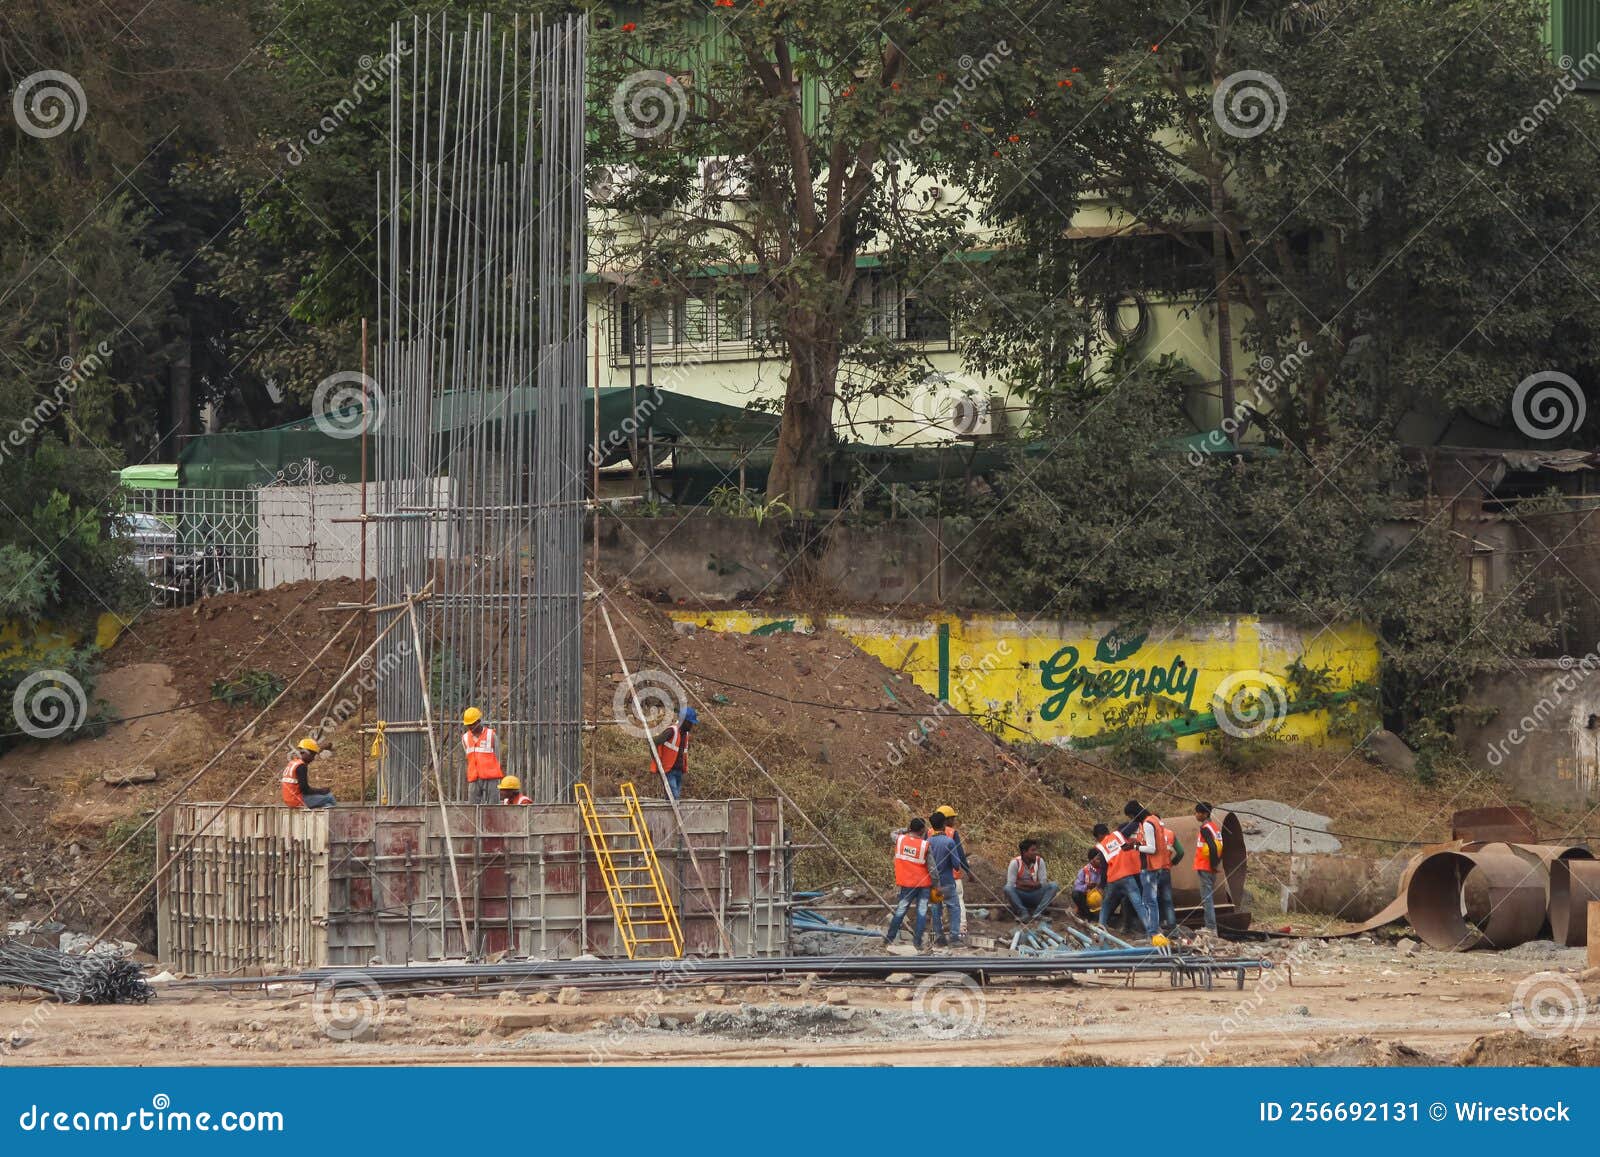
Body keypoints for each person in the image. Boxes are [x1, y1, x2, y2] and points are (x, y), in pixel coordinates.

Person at [1124, 800, 1178, 933]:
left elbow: (1151, 848)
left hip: (1149, 867)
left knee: (1150, 901)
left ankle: (1153, 932)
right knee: (1153, 900)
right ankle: (1156, 930)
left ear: (1134, 814)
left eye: (1130, 816)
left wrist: (1133, 846)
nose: (1131, 820)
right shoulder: (1154, 819)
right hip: (1158, 865)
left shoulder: (1147, 824)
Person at [1096, 821, 1154, 937]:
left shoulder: (1102, 846)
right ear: (1108, 831)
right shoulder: (1119, 835)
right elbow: (1134, 824)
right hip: (1127, 876)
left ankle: (1100, 928)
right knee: (1138, 904)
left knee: (1106, 903)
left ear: (1099, 836)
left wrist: (1102, 886)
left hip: (1113, 878)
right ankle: (1150, 932)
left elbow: (1103, 868)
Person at [884, 817, 933, 951]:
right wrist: (937, 884)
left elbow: (892, 832)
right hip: (923, 885)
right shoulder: (925, 845)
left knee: (900, 911)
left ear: (911, 828)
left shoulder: (899, 839)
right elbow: (932, 867)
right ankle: (917, 943)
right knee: (921, 912)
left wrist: (906, 829)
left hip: (907, 884)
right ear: (922, 830)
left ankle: (889, 939)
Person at [926, 812, 963, 945]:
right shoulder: (949, 842)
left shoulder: (927, 842)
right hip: (947, 881)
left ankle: (939, 936)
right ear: (944, 824)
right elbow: (956, 865)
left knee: (936, 909)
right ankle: (954, 937)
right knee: (954, 908)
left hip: (934, 883)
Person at [1004, 838, 1061, 920]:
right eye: (1033, 850)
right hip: (1020, 896)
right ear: (1024, 852)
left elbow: (1043, 883)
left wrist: (1021, 883)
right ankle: (1023, 913)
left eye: (1036, 850)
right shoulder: (1015, 863)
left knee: (1054, 885)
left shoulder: (1039, 861)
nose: (1036, 853)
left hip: (1036, 895)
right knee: (1007, 888)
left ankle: (1038, 913)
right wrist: (1035, 884)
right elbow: (1011, 884)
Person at [932, 805, 970, 926]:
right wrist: (968, 871)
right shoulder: (952, 833)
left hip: (935, 878)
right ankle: (961, 927)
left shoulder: (928, 833)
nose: (954, 821)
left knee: (937, 905)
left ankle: (938, 931)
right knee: (957, 902)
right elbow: (960, 855)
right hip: (952, 876)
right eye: (952, 818)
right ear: (946, 820)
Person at [652, 706, 697, 800]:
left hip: (679, 771)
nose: (692, 726)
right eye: (690, 723)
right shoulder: (671, 731)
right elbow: (654, 742)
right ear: (684, 721)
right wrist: (657, 762)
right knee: (674, 797)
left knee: (674, 799)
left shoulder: (686, 734)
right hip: (669, 770)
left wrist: (684, 769)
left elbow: (683, 753)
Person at [461, 707, 503, 804]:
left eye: (473, 724)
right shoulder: (465, 738)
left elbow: (497, 755)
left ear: (479, 721)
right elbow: (468, 756)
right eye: (468, 725)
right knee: (472, 808)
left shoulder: (491, 735)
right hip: (474, 777)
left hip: (491, 777)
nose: (471, 727)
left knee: (493, 806)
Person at [1194, 801, 1224, 933]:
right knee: (1208, 897)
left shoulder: (1205, 828)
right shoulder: (1215, 827)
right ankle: (1211, 927)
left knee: (1206, 898)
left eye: (1197, 812)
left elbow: (1212, 847)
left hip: (1205, 866)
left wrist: (1212, 865)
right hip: (1210, 866)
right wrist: (1215, 864)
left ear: (1205, 814)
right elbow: (1220, 848)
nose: (1196, 815)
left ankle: (1211, 927)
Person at [280, 737, 335, 809]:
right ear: (306, 752)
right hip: (297, 800)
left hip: (289, 799)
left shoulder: (292, 763)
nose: (313, 758)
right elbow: (305, 790)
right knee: (329, 797)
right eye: (313, 755)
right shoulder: (301, 766)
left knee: (326, 805)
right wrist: (322, 791)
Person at [1072, 852, 1105, 920]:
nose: (1101, 861)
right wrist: (1087, 886)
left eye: (1101, 859)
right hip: (1087, 897)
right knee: (1075, 894)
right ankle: (1088, 915)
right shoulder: (1084, 871)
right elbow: (1077, 886)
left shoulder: (1104, 870)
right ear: (1091, 860)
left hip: (1100, 898)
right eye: (1098, 859)